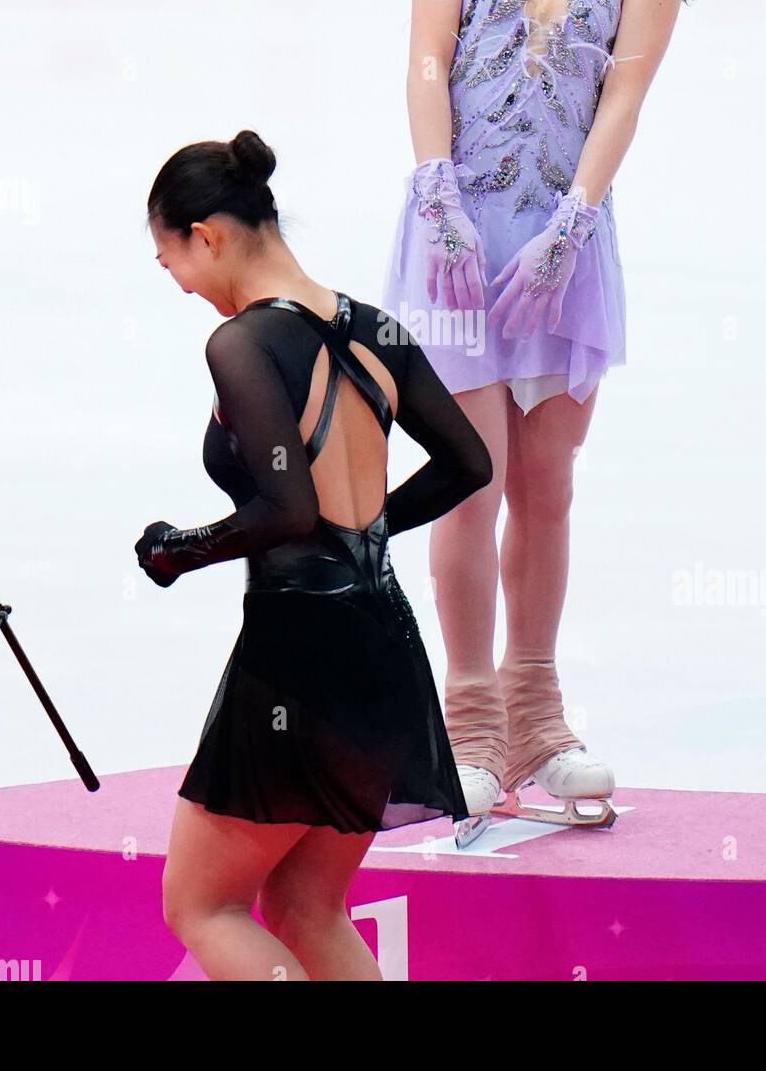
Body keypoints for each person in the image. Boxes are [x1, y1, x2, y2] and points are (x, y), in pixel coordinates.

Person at [381, 0, 715, 844]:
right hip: (455, 238)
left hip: (566, 241)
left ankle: (538, 719)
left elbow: (626, 94)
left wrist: (574, 222)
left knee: (548, 487)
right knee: (468, 480)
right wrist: (436, 192)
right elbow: (429, 57)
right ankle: (466, 729)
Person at [136, 130, 493, 980]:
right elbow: (468, 464)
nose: (180, 284)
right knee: (305, 907)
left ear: (207, 235)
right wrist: (364, 532)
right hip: (384, 649)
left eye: (170, 260)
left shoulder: (244, 344)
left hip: (297, 661)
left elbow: (286, 508)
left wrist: (180, 551)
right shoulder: (373, 327)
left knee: (202, 905)